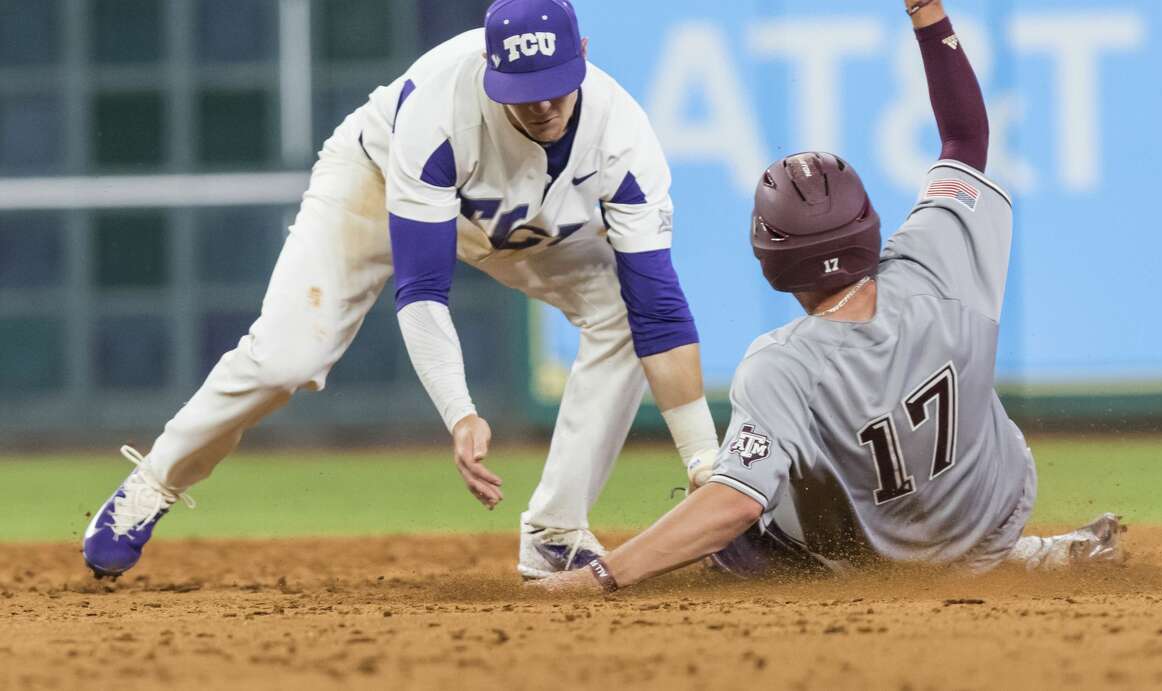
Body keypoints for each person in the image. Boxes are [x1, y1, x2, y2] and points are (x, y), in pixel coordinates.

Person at [82, 0, 721, 581]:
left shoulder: (626, 140)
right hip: (378, 182)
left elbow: (659, 308)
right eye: (523, 92)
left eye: (555, 86)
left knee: (622, 314)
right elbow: (420, 288)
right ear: (490, 73)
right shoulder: (439, 113)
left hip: (512, 218)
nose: (543, 106)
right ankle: (155, 482)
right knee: (287, 359)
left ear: (582, 57)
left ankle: (555, 533)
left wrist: (702, 463)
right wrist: (460, 411)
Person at [531, 0, 1122, 596]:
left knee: (736, 510)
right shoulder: (936, 258)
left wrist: (599, 578)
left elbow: (732, 506)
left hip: (877, 564)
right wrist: (928, 13)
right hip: (990, 518)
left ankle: (989, 558)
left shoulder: (782, 365)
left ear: (772, 259)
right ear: (868, 224)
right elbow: (967, 135)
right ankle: (1027, 555)